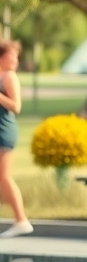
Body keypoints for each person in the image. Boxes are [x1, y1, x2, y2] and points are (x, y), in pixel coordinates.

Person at [0, 39, 31, 239]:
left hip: (5, 131)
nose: (15, 59)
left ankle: (21, 220)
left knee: (4, 177)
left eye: (16, 56)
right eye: (11, 55)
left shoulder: (9, 77)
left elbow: (16, 106)